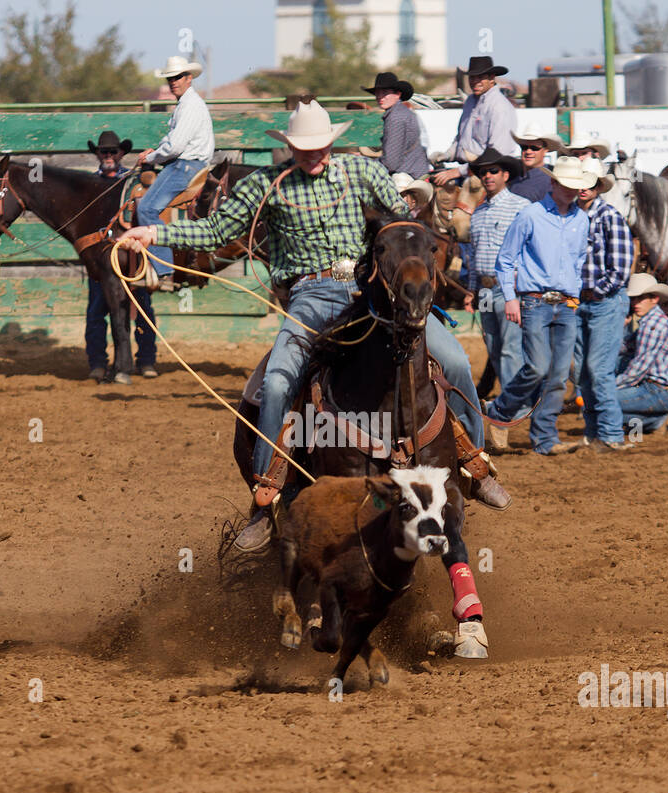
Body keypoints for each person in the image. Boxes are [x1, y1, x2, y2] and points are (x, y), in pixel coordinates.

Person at [117, 102, 510, 551]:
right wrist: (154, 235)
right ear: (289, 148)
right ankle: (266, 499)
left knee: (456, 360)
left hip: (371, 293)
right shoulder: (268, 186)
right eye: (304, 149)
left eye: (320, 147)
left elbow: (400, 220)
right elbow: (215, 231)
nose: (313, 156)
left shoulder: (360, 173)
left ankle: (473, 467)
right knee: (280, 381)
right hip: (311, 297)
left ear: (331, 143)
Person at [484, 155, 593, 454]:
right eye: (567, 185)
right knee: (537, 366)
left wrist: (577, 292)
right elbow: (506, 260)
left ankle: (545, 439)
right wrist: (510, 298)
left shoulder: (581, 220)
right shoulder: (530, 215)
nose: (572, 191)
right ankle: (501, 411)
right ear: (554, 183)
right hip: (534, 301)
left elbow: (579, 260)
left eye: (576, 186)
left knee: (558, 376)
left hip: (566, 303)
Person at [133, 55, 215, 294]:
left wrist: (149, 158)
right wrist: (156, 151)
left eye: (178, 77)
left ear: (189, 78)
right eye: (171, 78)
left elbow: (176, 146)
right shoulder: (187, 105)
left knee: (146, 208)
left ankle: (164, 271)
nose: (173, 82)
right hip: (187, 162)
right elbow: (172, 142)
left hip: (186, 165)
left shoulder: (189, 106)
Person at [572, 155, 634, 451]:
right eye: (580, 182)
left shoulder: (610, 216)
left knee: (598, 369)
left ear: (598, 187)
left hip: (603, 302)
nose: (584, 188)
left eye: (590, 183)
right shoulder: (570, 217)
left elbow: (621, 268)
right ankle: (595, 430)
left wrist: (596, 291)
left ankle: (610, 433)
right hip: (580, 302)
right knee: (583, 372)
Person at [82, 131, 154, 383]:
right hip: (101, 260)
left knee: (142, 307)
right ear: (98, 154)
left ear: (121, 153)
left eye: (113, 151)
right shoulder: (90, 185)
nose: (109, 155)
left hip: (132, 257)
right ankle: (98, 362)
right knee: (96, 311)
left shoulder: (132, 183)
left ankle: (146, 360)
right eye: (104, 152)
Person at [461, 148, 529, 399]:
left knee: (511, 348)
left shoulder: (521, 207)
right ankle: (512, 400)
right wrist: (471, 290)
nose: (487, 175)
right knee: (494, 346)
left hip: (509, 288)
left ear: (505, 175)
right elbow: (474, 254)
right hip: (486, 290)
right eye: (483, 172)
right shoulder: (477, 213)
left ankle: (513, 404)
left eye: (493, 171)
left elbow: (531, 249)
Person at [614, 274, 668, 435]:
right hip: (665, 391)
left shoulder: (653, 325)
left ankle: (654, 420)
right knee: (602, 403)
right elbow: (623, 348)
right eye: (633, 299)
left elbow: (637, 370)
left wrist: (609, 387)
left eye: (640, 299)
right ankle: (655, 420)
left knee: (600, 402)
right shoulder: (653, 321)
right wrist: (621, 327)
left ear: (654, 299)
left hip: (660, 391)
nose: (635, 304)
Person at [431, 56, 518, 187]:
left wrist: (457, 172)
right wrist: (447, 155)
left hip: (488, 175)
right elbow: (462, 137)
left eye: (480, 77)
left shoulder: (499, 107)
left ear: (491, 78)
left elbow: (498, 153)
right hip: (469, 172)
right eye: (472, 77)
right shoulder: (470, 102)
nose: (475, 81)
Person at [365, 71, 430, 179]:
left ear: (398, 94)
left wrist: (364, 164)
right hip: (416, 171)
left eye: (385, 92)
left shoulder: (395, 117)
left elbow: (390, 163)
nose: (380, 97)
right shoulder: (402, 112)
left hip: (407, 177)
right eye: (377, 92)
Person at [507, 124, 563, 202]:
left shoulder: (552, 180)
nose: (528, 152)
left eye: (534, 148)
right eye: (524, 147)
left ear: (545, 151)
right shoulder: (512, 176)